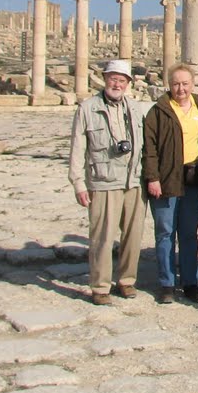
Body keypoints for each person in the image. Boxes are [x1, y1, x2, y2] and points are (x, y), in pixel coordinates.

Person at [68, 59, 146, 306]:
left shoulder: (134, 108)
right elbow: (77, 149)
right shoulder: (88, 108)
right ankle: (100, 286)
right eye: (113, 78)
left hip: (133, 180)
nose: (117, 83)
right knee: (102, 236)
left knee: (133, 236)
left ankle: (127, 280)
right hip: (103, 181)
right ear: (104, 79)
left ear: (128, 84)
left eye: (122, 80)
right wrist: (79, 183)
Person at [142, 62, 198, 305]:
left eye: (185, 83)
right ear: (169, 85)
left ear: (192, 85)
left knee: (189, 234)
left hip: (192, 179)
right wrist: (152, 178)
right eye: (176, 84)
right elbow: (149, 148)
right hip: (165, 178)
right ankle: (166, 283)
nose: (180, 88)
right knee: (165, 232)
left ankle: (191, 282)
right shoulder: (158, 111)